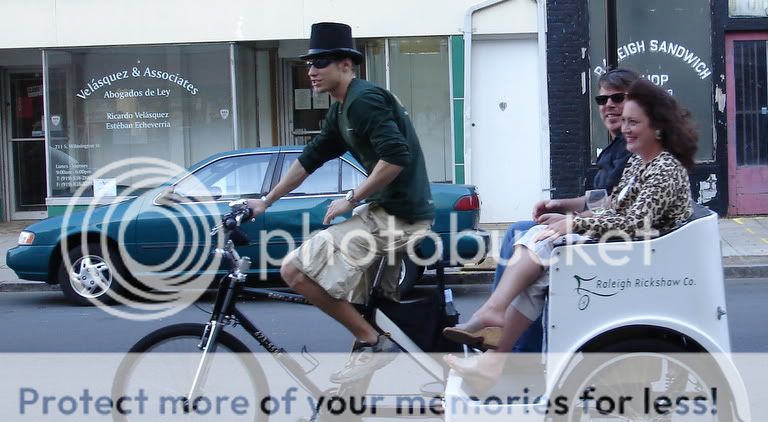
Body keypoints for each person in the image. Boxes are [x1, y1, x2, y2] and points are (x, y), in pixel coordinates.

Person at [443, 79, 697, 392]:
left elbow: (635, 223)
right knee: (537, 260)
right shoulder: (640, 163)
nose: (626, 128)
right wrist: (571, 218)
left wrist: (575, 224)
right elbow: (614, 208)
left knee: (542, 242)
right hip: (629, 252)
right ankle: (493, 356)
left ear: (657, 127)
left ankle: (493, 319)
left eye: (634, 122)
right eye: (626, 122)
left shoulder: (664, 168)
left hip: (640, 259)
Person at [248, 22, 434, 385]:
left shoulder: (363, 100)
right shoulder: (341, 110)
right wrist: (265, 201)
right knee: (361, 307)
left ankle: (374, 343)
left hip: (400, 216)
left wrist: (352, 198)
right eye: (309, 63)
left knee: (295, 272)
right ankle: (348, 412)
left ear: (346, 65)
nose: (311, 71)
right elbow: (308, 160)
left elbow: (397, 156)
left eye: (321, 62)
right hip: (386, 212)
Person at [489, 68, 639, 353]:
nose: (608, 105)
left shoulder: (636, 150)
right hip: (602, 232)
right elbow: (601, 199)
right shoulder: (619, 146)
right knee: (519, 233)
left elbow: (619, 210)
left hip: (612, 243)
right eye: (602, 100)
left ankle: (512, 341)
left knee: (524, 235)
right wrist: (561, 205)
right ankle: (503, 330)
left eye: (617, 98)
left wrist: (572, 220)